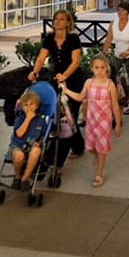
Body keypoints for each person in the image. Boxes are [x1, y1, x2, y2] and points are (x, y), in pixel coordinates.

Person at [29, 9, 85, 160]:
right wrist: (35, 72)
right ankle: (75, 145)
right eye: (56, 19)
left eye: (61, 19)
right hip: (56, 79)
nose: (58, 22)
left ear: (68, 23)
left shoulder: (73, 38)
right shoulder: (49, 38)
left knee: (70, 113)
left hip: (73, 80)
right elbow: (41, 58)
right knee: (61, 115)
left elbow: (76, 61)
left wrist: (65, 76)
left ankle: (77, 147)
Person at [62, 56, 121, 188]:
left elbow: (115, 106)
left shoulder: (109, 85)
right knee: (90, 146)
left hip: (104, 121)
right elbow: (80, 97)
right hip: (91, 120)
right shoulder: (89, 83)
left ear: (106, 69)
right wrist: (66, 91)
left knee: (101, 148)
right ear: (92, 69)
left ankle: (99, 174)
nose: (99, 70)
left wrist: (117, 123)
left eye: (102, 67)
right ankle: (97, 156)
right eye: (96, 68)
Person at [102, 0, 129, 114]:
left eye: (123, 11)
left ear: (128, 12)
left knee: (126, 81)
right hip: (118, 55)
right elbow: (109, 38)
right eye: (118, 10)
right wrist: (105, 50)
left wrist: (128, 52)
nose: (120, 13)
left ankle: (119, 111)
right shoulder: (113, 24)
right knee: (120, 80)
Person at [8, 90, 47, 190]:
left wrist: (39, 142)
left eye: (31, 104)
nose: (29, 107)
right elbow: (19, 133)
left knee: (36, 151)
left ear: (36, 106)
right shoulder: (20, 118)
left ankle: (24, 179)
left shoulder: (41, 120)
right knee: (19, 155)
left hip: (31, 146)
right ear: (22, 107)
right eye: (25, 105)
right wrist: (28, 119)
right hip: (17, 146)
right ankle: (17, 177)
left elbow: (43, 134)